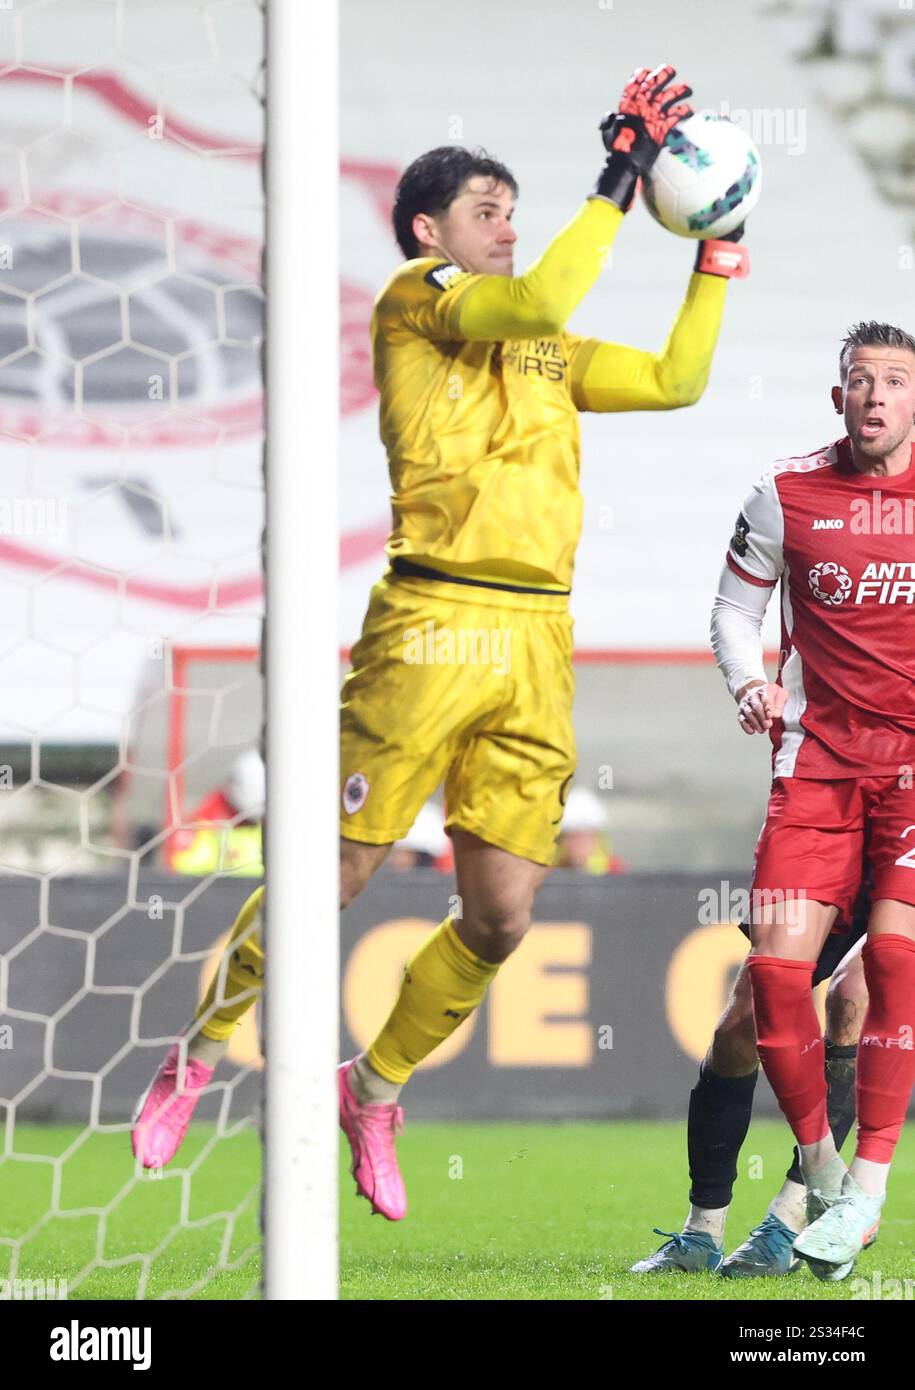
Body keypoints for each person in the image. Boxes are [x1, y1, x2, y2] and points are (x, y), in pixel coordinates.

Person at [131, 65, 752, 1219]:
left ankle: (373, 1087)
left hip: (537, 638)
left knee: (505, 912)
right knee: (340, 874)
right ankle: (200, 1051)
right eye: (486, 210)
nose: (506, 227)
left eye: (515, 211)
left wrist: (715, 256)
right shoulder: (419, 300)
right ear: (430, 229)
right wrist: (618, 179)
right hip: (430, 623)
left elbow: (676, 380)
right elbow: (534, 301)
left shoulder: (550, 353)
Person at [704, 321, 915, 1281]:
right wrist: (749, 680)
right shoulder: (785, 490)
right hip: (816, 768)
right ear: (838, 398)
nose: (875, 395)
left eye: (895, 382)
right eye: (859, 380)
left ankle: (865, 1190)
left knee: (893, 967)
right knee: (775, 979)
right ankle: (823, 1172)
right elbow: (734, 608)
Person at [632, 889, 869, 1277]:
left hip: (899, 854)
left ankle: (788, 1223)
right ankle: (701, 1234)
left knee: (850, 1001)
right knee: (739, 1030)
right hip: (827, 848)